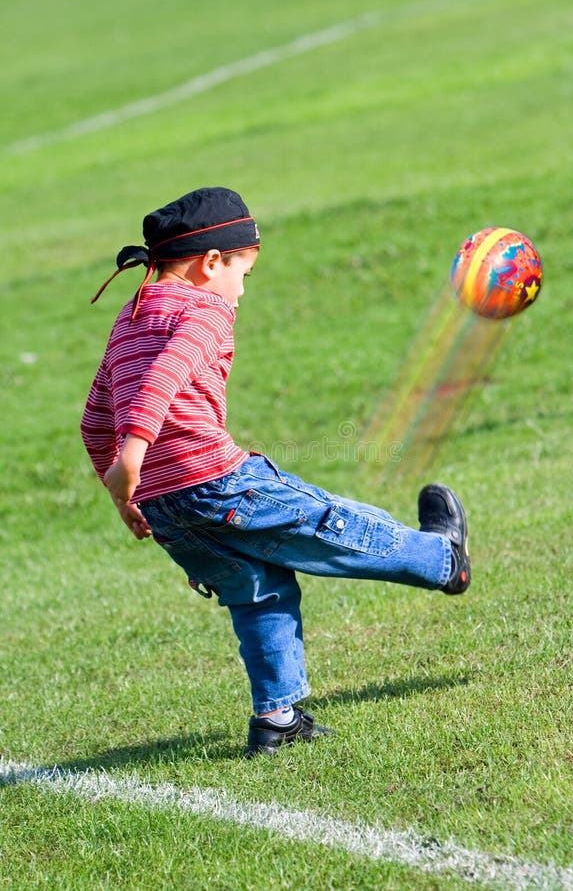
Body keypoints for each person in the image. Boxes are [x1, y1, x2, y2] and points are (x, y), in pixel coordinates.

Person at [81, 186, 471, 758]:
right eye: (243, 271)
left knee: (256, 589)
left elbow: (94, 417)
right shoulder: (205, 309)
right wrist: (134, 453)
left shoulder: (132, 316)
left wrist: (126, 497)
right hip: (219, 482)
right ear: (211, 262)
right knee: (334, 527)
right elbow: (168, 373)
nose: (241, 288)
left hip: (167, 508)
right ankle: (445, 561)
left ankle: (278, 719)